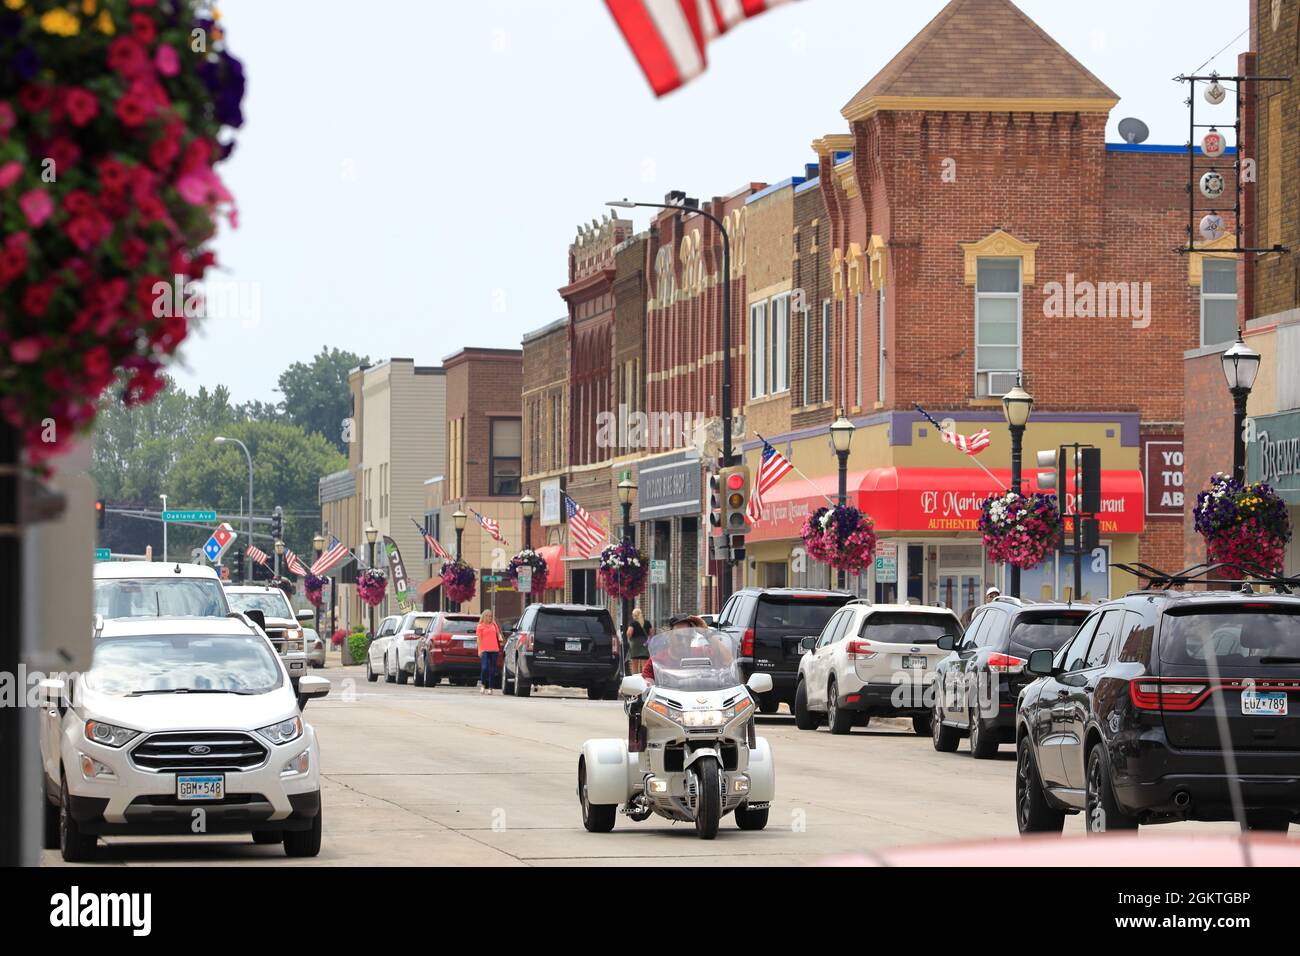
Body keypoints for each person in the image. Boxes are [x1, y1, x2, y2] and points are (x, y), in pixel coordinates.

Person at [475, 608, 502, 695]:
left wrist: (500, 637)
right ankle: (483, 685)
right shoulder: (480, 626)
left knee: (492, 669)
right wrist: (479, 650)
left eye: (490, 616)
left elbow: (498, 633)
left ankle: (490, 687)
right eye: (487, 616)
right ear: (484, 616)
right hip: (484, 650)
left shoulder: (494, 625)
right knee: (484, 668)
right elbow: (479, 639)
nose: (489, 618)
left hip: (494, 649)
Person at [625, 607, 650, 676]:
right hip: (645, 644)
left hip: (635, 644)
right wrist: (648, 641)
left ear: (634, 615)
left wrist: (629, 639)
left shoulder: (633, 623)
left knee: (634, 663)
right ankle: (644, 677)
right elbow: (652, 633)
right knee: (645, 663)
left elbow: (629, 633)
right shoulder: (647, 623)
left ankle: (635, 678)